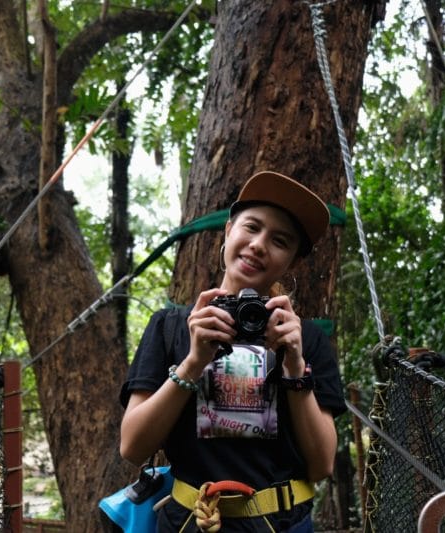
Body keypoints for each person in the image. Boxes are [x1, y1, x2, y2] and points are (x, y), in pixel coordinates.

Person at [119, 171, 346, 532]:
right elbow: (132, 446)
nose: (259, 245)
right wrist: (193, 363)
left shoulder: (306, 340)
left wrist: (294, 369)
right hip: (190, 522)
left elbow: (322, 466)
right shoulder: (171, 327)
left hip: (281, 523)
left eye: (280, 240)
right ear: (227, 233)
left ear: (292, 262)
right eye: (251, 227)